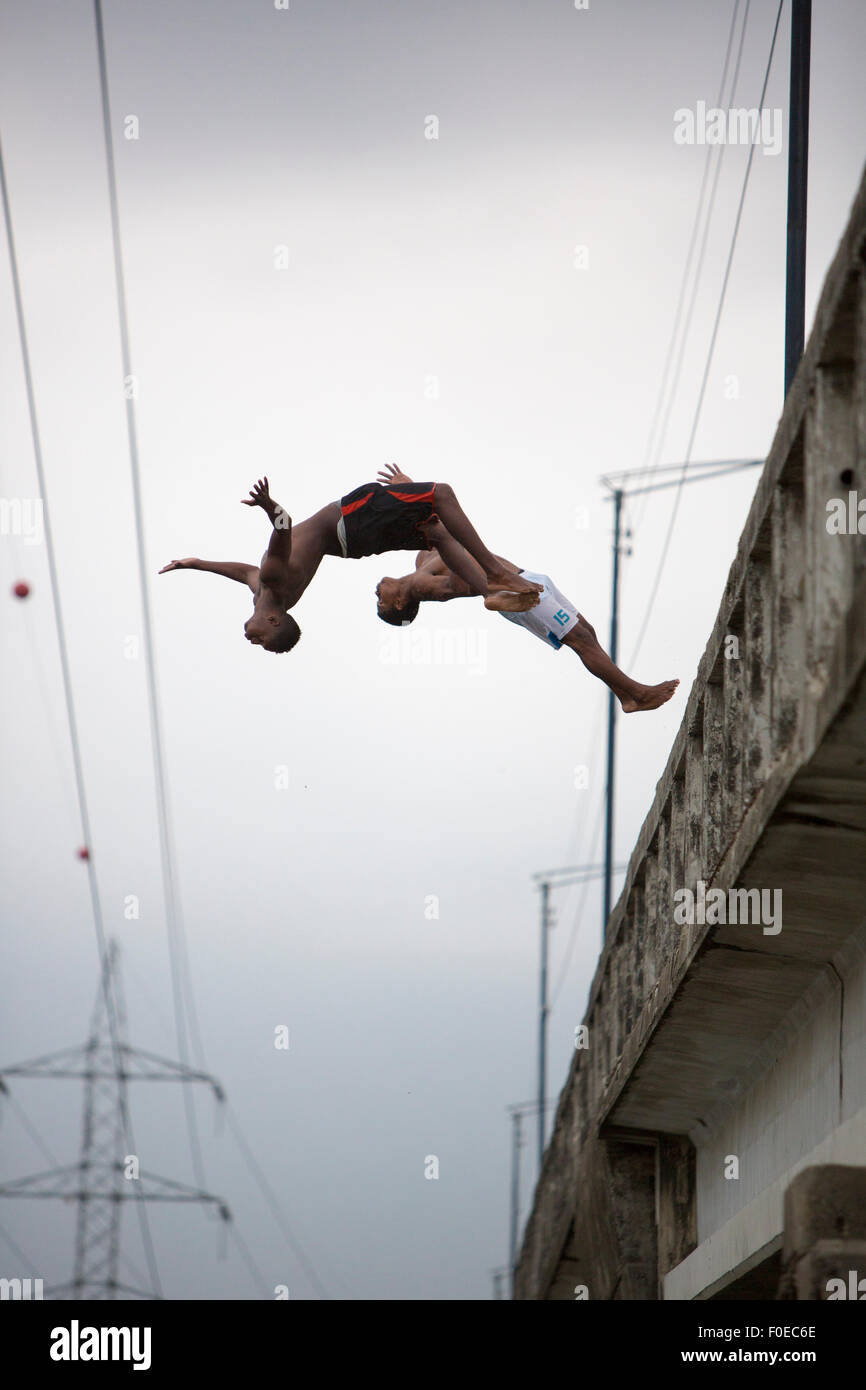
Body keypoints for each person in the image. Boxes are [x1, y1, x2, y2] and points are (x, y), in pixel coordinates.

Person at [375, 472, 679, 713]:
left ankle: (624, 696)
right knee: (580, 640)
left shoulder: (421, 560)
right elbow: (459, 585)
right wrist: (501, 590)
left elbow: (442, 528)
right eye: (381, 600)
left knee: (586, 631)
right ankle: (638, 694)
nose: (377, 591)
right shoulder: (421, 587)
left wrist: (411, 489)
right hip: (516, 595)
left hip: (524, 578)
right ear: (400, 602)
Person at [159, 471, 542, 652]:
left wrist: (197, 564)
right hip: (351, 519)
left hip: (355, 541)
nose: (250, 638)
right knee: (441, 494)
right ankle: (493, 577)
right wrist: (268, 505)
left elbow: (242, 572)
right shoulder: (274, 580)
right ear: (274, 620)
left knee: (435, 529)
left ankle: (489, 591)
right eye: (260, 638)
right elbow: (284, 526)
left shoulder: (266, 592)